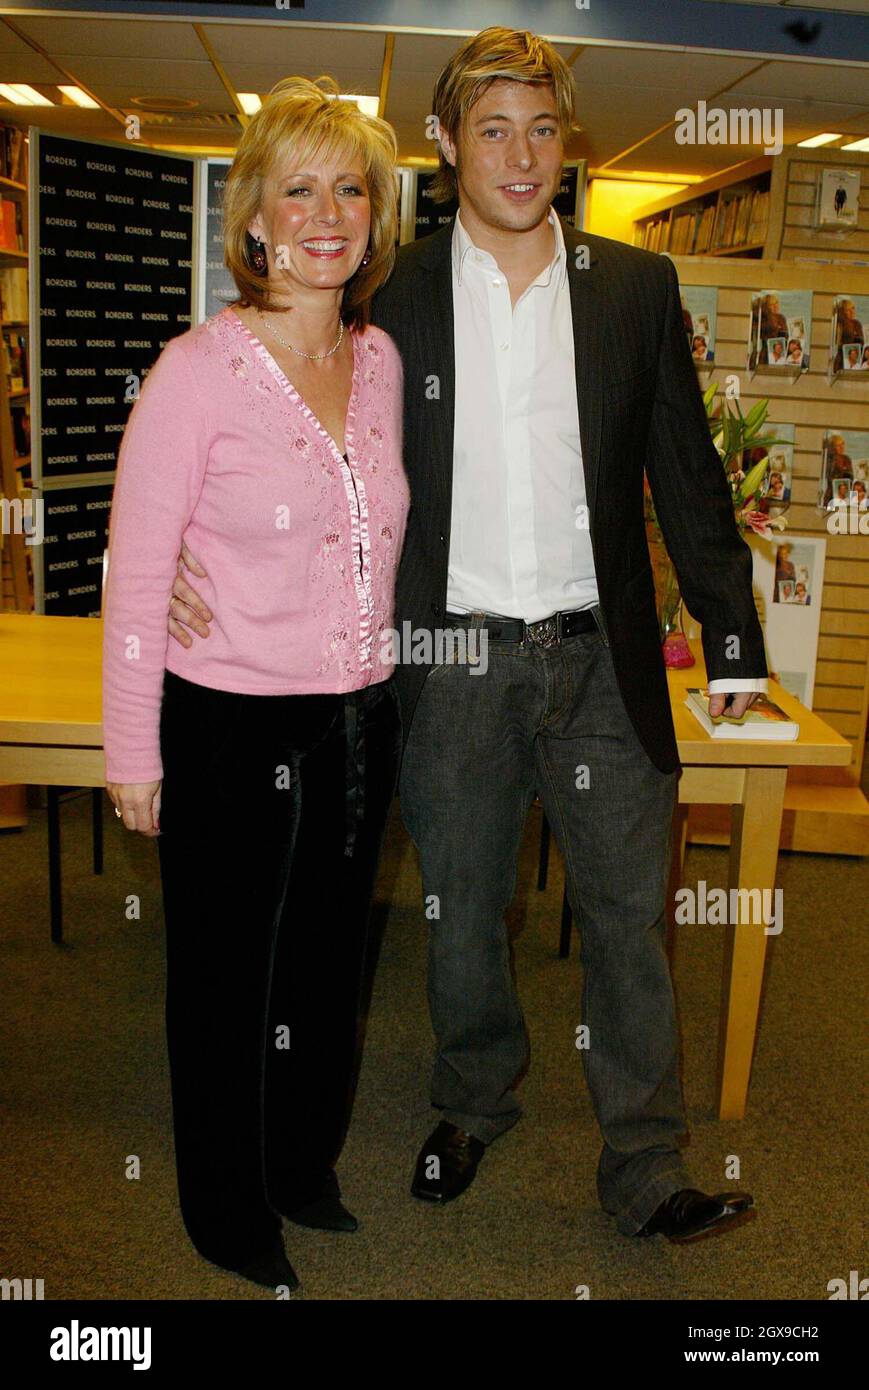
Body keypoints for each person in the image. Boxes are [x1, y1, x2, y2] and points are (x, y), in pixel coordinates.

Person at [170, 28, 763, 1245]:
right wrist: (179, 546)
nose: (520, 153)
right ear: (442, 148)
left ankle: (646, 1166)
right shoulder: (387, 298)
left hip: (601, 656)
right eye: (490, 128)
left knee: (625, 923)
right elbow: (269, 411)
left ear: (566, 143)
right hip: (452, 661)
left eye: (541, 128)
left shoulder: (633, 290)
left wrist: (735, 640)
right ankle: (472, 1104)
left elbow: (687, 479)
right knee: (461, 914)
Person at [102, 77, 409, 1291]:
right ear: (257, 222)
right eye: (300, 188)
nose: (326, 211)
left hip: (356, 721)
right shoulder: (195, 371)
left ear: (374, 216)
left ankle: (299, 1168)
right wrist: (135, 753)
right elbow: (135, 574)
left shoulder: (380, 360)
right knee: (226, 982)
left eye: (349, 188)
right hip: (225, 724)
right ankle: (227, 1211)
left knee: (328, 969)